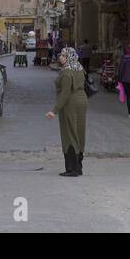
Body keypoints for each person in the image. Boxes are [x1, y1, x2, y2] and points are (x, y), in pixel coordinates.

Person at [45, 47, 88, 177]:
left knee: (69, 133)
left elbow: (65, 93)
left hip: (71, 104)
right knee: (79, 132)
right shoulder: (79, 68)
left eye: (63, 55)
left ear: (68, 57)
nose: (60, 57)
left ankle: (72, 169)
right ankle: (79, 167)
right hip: (82, 101)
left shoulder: (67, 72)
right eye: (60, 55)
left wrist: (55, 110)